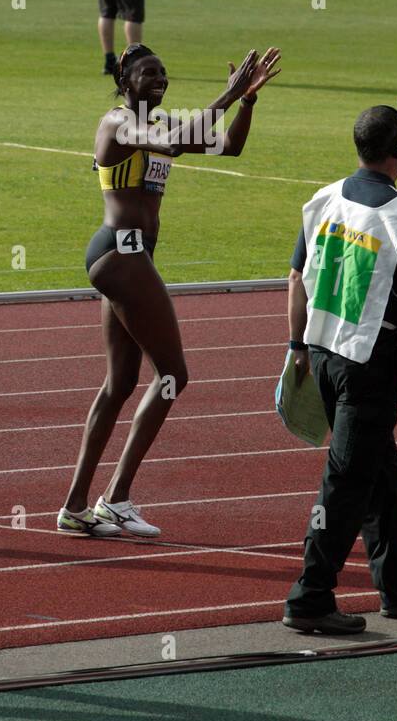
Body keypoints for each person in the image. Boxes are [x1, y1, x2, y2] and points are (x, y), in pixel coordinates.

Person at [58, 43, 281, 538]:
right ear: (125, 79)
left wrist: (246, 101)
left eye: (163, 72)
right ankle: (115, 499)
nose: (159, 79)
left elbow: (229, 146)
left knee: (120, 384)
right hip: (123, 252)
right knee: (173, 374)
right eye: (147, 72)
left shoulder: (155, 128)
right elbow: (180, 142)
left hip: (127, 257)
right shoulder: (118, 123)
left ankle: (75, 507)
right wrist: (227, 91)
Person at [282, 105, 397, 635]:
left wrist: (298, 347)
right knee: (348, 479)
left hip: (325, 353)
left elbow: (295, 279)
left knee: (380, 468)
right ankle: (309, 597)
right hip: (370, 363)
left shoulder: (325, 199)